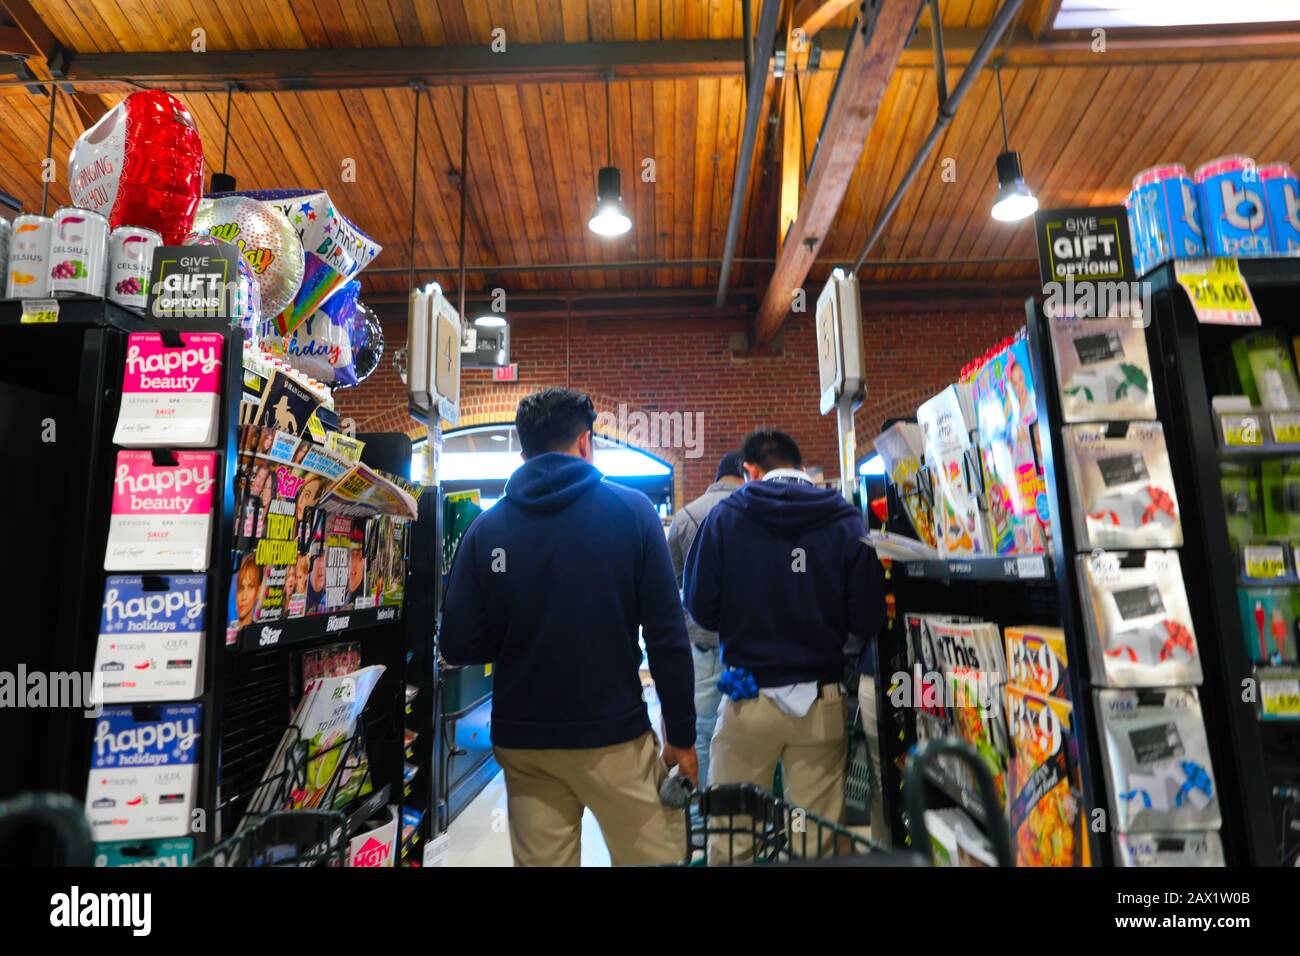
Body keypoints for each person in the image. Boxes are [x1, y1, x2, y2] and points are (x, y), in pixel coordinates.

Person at [440, 388, 697, 867]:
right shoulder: (634, 513)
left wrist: (520, 632)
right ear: (585, 443)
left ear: (524, 451)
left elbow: (457, 641)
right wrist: (681, 735)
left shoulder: (487, 529)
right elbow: (667, 636)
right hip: (615, 738)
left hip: (524, 742)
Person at [684, 428, 885, 861]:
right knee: (815, 841)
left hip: (746, 701)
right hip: (821, 701)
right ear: (799, 466)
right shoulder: (846, 519)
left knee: (732, 833)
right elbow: (869, 616)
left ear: (751, 470)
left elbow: (700, 608)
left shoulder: (725, 517)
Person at [666, 450, 744, 786]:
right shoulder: (755, 513)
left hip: (701, 647)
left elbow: (671, 591)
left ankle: (699, 824)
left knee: (699, 733)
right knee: (749, 738)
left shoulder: (684, 517)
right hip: (750, 648)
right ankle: (746, 820)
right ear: (746, 473)